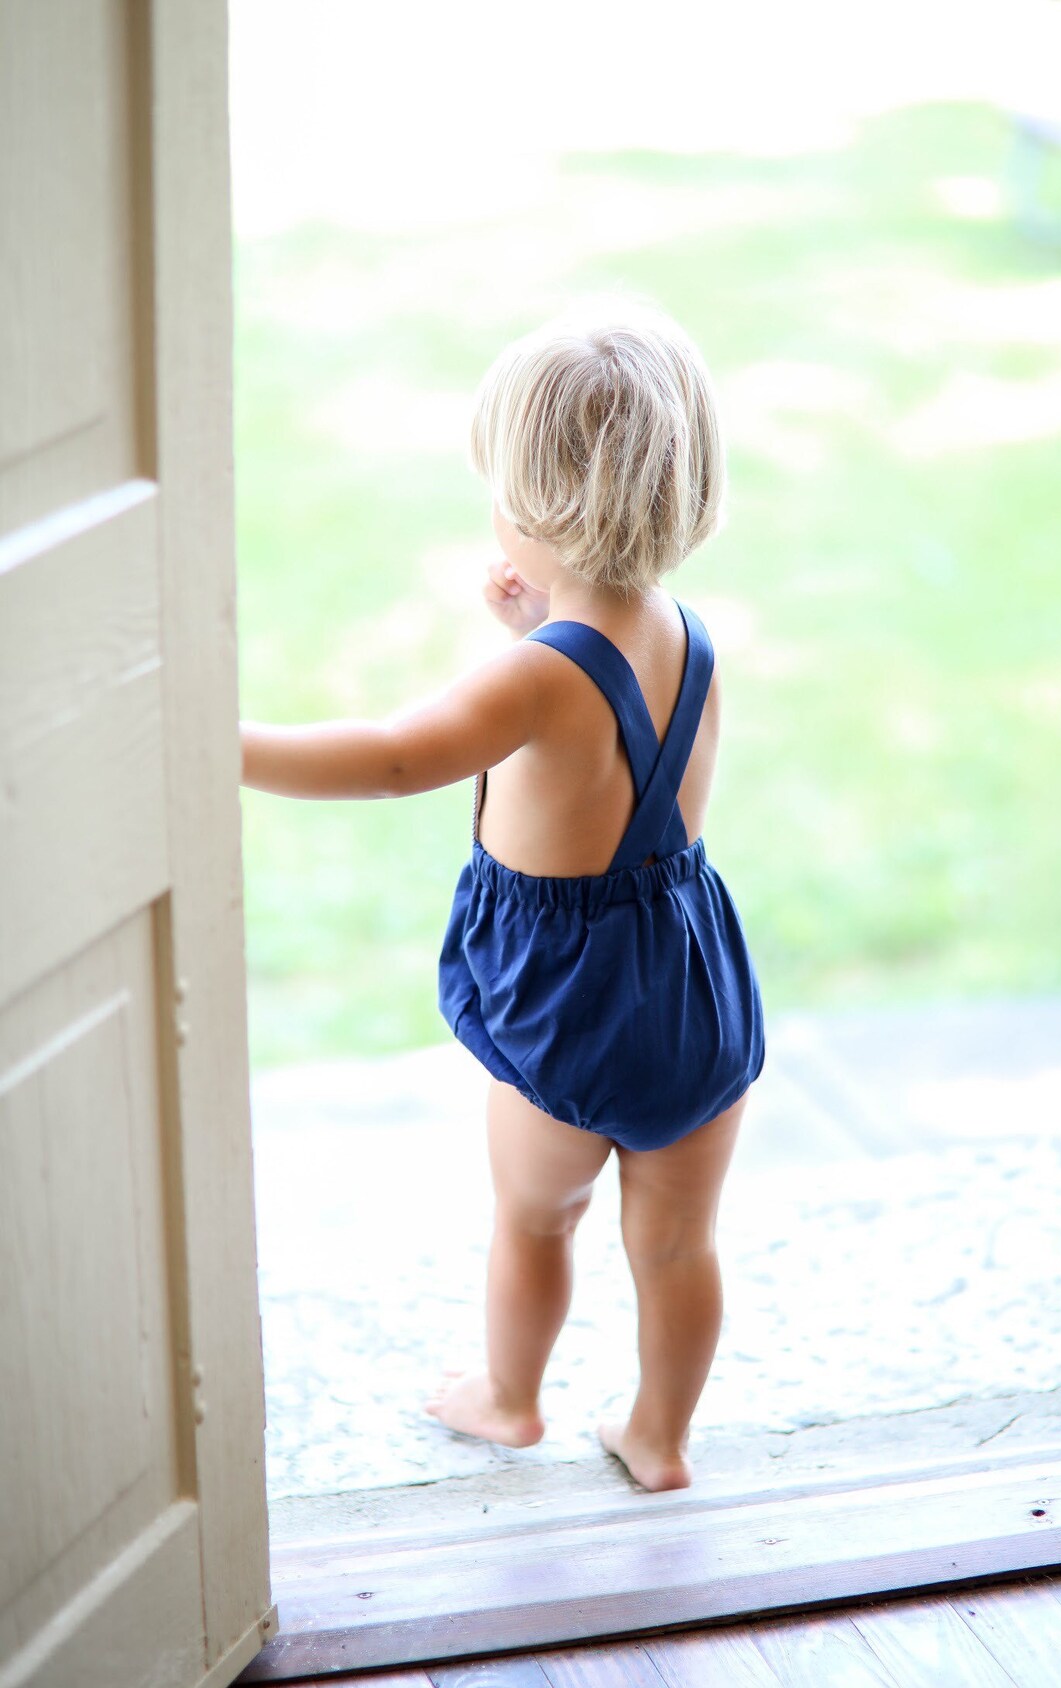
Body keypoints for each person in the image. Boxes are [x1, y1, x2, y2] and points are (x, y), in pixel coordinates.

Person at [240, 303, 765, 1491]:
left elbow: (387, 757)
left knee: (538, 1217)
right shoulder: (689, 634)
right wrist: (547, 623)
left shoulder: (531, 683)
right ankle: (659, 1440)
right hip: (688, 979)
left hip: (573, 1001)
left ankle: (508, 1397)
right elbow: (622, 754)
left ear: (531, 508)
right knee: (680, 1240)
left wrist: (217, 743)